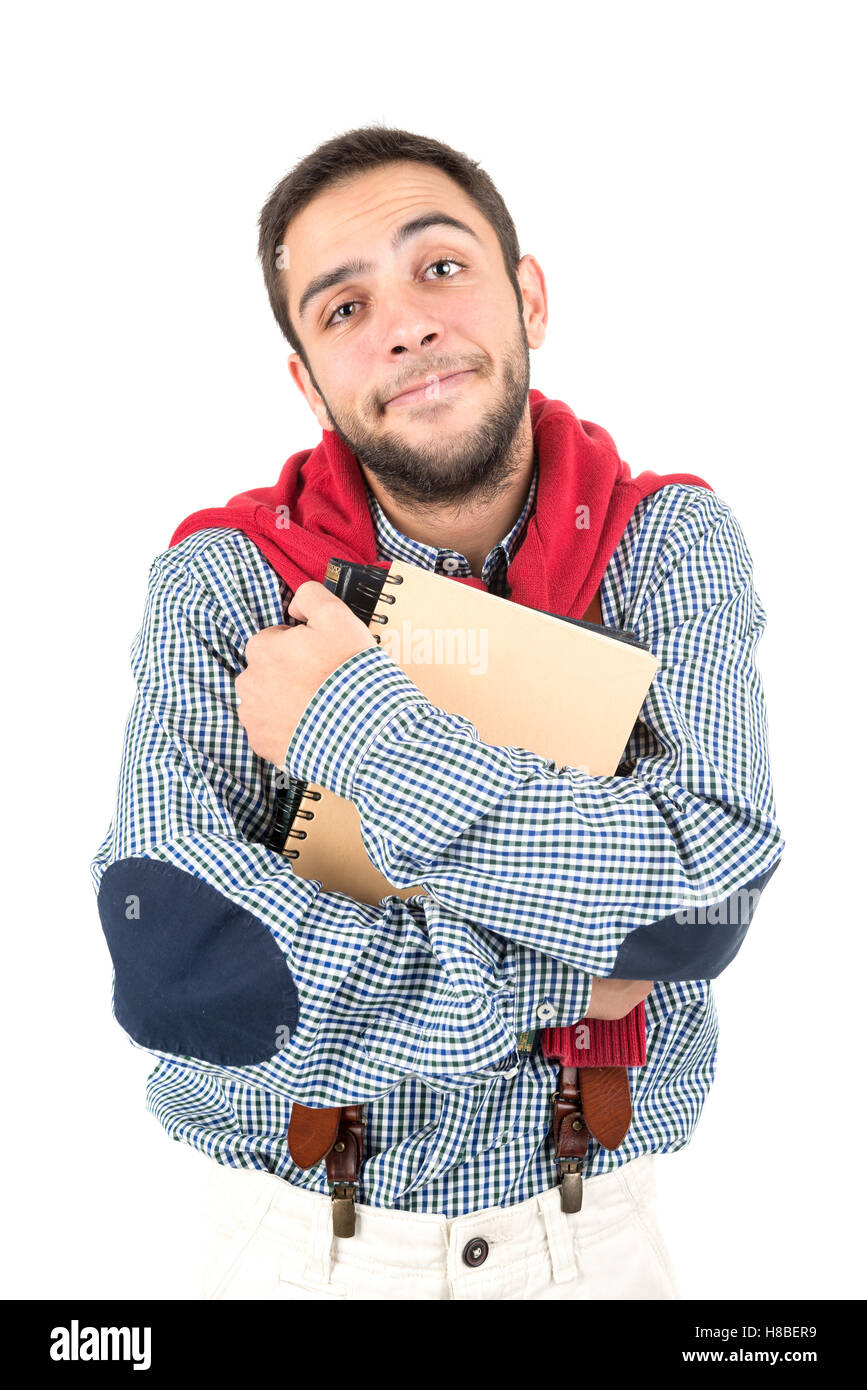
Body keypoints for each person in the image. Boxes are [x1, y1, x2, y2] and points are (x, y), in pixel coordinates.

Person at [90, 125, 785, 1301]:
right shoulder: (220, 582)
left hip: (593, 1239)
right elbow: (192, 966)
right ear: (310, 381)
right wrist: (569, 966)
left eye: (442, 268)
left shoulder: (670, 547)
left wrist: (361, 726)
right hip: (295, 1243)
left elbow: (703, 891)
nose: (405, 322)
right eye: (342, 308)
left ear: (529, 297)